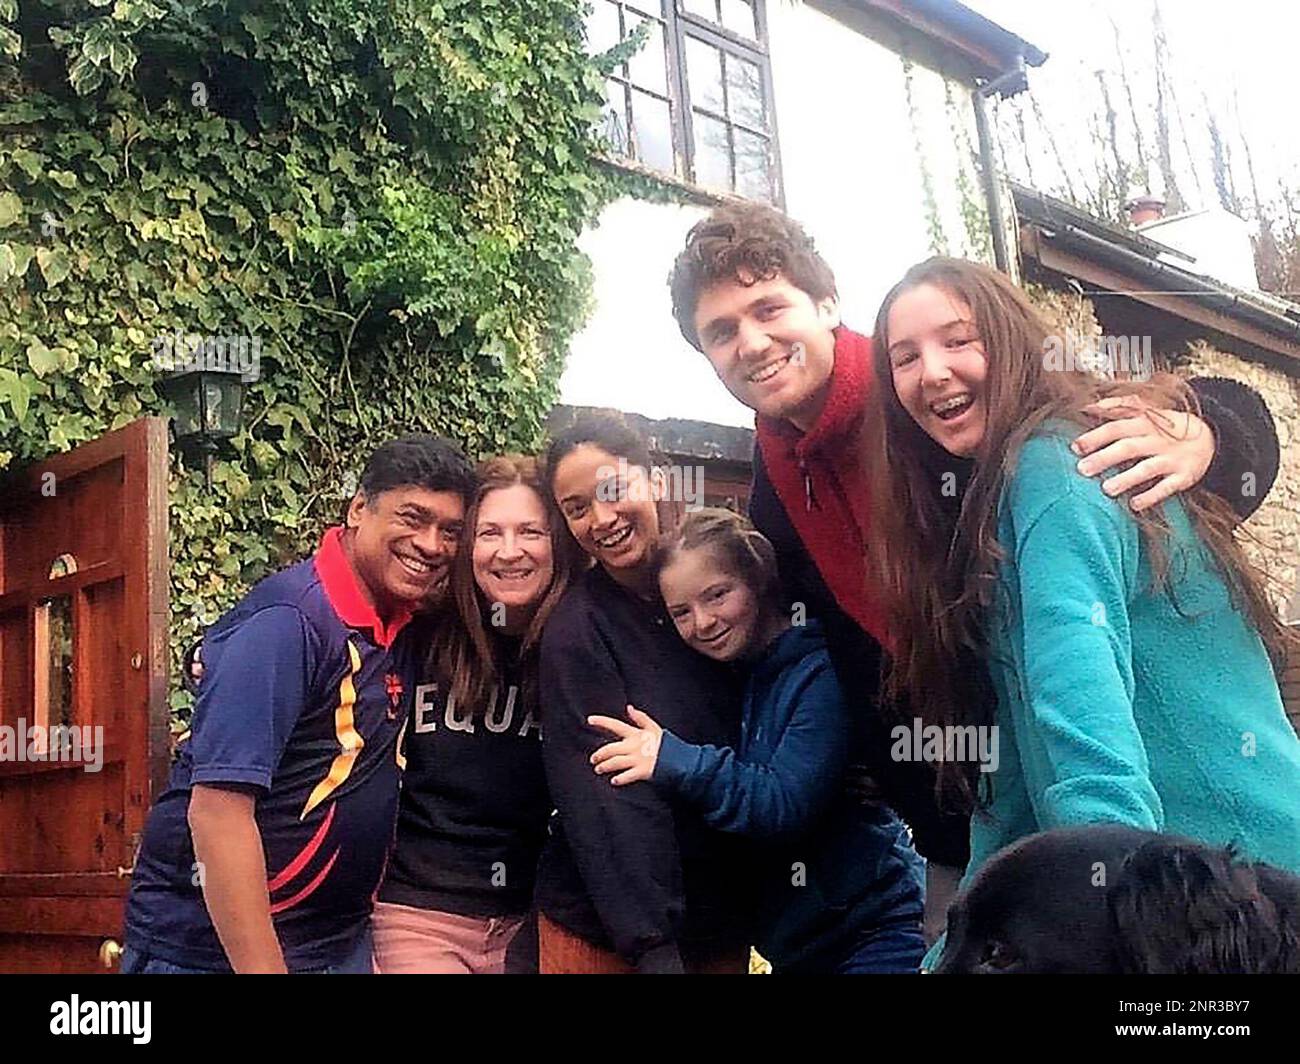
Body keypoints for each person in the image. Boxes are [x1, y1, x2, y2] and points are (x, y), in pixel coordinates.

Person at [667, 202, 1281, 940]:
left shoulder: (987, 431)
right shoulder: (776, 479)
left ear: (826, 302)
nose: (753, 343)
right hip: (985, 817)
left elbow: (1109, 447)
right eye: (722, 332)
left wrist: (1211, 434)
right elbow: (823, 640)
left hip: (1179, 844)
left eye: (769, 309)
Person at [862, 257, 1300, 966]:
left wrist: (1109, 926)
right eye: (904, 358)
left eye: (957, 340)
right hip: (1187, 892)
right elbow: (1013, 789)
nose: (932, 371)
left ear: (1009, 342)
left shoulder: (1055, 469)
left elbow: (1084, 716)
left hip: (1235, 903)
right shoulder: (994, 512)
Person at [122, 435, 475, 974]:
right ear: (358, 508)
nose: (431, 544)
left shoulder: (401, 618)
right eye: (413, 517)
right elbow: (218, 815)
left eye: (450, 530)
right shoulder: (289, 622)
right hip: (212, 954)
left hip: (335, 946)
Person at [588, 508, 926, 973]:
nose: (703, 622)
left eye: (717, 595)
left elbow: (783, 801)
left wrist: (674, 759)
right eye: (681, 612)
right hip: (796, 946)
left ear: (758, 579)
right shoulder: (733, 675)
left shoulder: (822, 671)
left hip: (873, 931)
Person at [535, 414, 753, 974]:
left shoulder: (718, 591)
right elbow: (604, 799)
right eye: (576, 508)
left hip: (721, 919)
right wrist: (653, 946)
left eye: (613, 490)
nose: (601, 519)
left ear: (654, 480)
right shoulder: (578, 631)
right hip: (610, 934)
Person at [372, 455, 574, 974]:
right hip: (417, 916)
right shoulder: (421, 630)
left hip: (530, 921)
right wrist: (207, 654)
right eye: (490, 533)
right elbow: (326, 640)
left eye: (531, 531)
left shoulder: (579, 647)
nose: (510, 552)